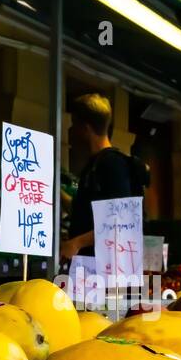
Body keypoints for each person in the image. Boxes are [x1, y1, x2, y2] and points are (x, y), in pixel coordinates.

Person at [59, 93, 149, 260]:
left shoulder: (113, 165)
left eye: (73, 125)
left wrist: (76, 243)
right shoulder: (95, 165)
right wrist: (56, 193)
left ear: (85, 129)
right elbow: (82, 214)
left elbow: (120, 222)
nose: (71, 131)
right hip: (91, 267)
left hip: (105, 270)